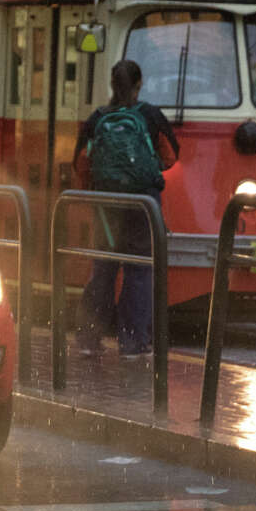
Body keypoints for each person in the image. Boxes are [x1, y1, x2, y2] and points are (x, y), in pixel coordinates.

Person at [73, 60, 179, 359]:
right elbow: (171, 156)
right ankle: (133, 343)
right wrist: (145, 170)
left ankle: (88, 339)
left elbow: (80, 162)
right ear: (139, 84)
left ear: (111, 84)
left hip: (106, 205)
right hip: (142, 205)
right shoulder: (150, 115)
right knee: (139, 270)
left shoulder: (98, 118)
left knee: (104, 267)